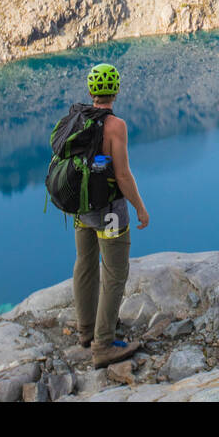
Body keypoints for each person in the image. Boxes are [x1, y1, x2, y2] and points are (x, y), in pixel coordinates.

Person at [73, 63, 150, 368]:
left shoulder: (76, 118)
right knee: (115, 274)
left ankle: (85, 330)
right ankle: (103, 344)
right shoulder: (115, 125)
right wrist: (140, 208)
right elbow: (122, 174)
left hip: (80, 208)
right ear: (115, 91)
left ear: (91, 91)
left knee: (85, 265)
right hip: (109, 212)